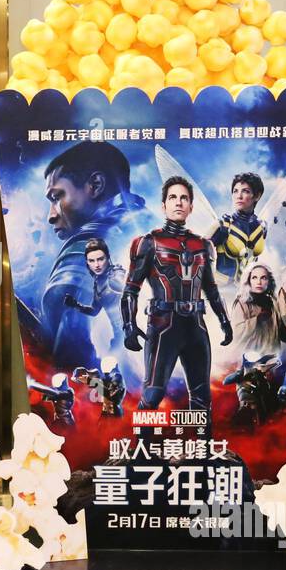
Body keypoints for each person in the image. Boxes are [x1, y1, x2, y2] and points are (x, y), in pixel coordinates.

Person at [121, 176, 232, 413]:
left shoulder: (202, 245)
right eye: (173, 197)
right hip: (163, 328)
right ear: (164, 205)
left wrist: (224, 320)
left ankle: (204, 450)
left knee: (202, 397)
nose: (178, 203)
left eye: (184, 198)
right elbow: (131, 289)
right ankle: (143, 449)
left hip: (196, 327)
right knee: (153, 393)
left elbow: (211, 288)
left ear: (191, 206)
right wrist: (128, 326)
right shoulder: (148, 243)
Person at [42, 140, 145, 369]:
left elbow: (68, 335)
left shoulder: (93, 240)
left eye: (57, 197)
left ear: (95, 185)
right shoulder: (150, 225)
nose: (51, 215)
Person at [230, 263, 286, 361]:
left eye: (263, 278)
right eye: (254, 277)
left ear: (269, 281)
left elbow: (284, 333)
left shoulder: (272, 302)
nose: (259, 282)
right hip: (248, 360)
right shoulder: (242, 303)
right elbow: (235, 333)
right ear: (249, 281)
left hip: (271, 359)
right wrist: (257, 320)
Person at [63, 237, 127, 351]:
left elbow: (124, 285)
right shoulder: (98, 284)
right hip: (119, 336)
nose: (96, 265)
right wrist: (75, 304)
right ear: (87, 263)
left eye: (100, 259)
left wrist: (118, 282)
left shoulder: (116, 272)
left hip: (134, 329)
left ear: (107, 258)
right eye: (92, 261)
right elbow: (94, 310)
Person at [210, 172, 267, 284]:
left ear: (257, 196)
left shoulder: (262, 227)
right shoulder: (224, 224)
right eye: (235, 191)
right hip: (223, 292)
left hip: (248, 292)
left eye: (245, 191)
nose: (238, 196)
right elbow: (196, 257)